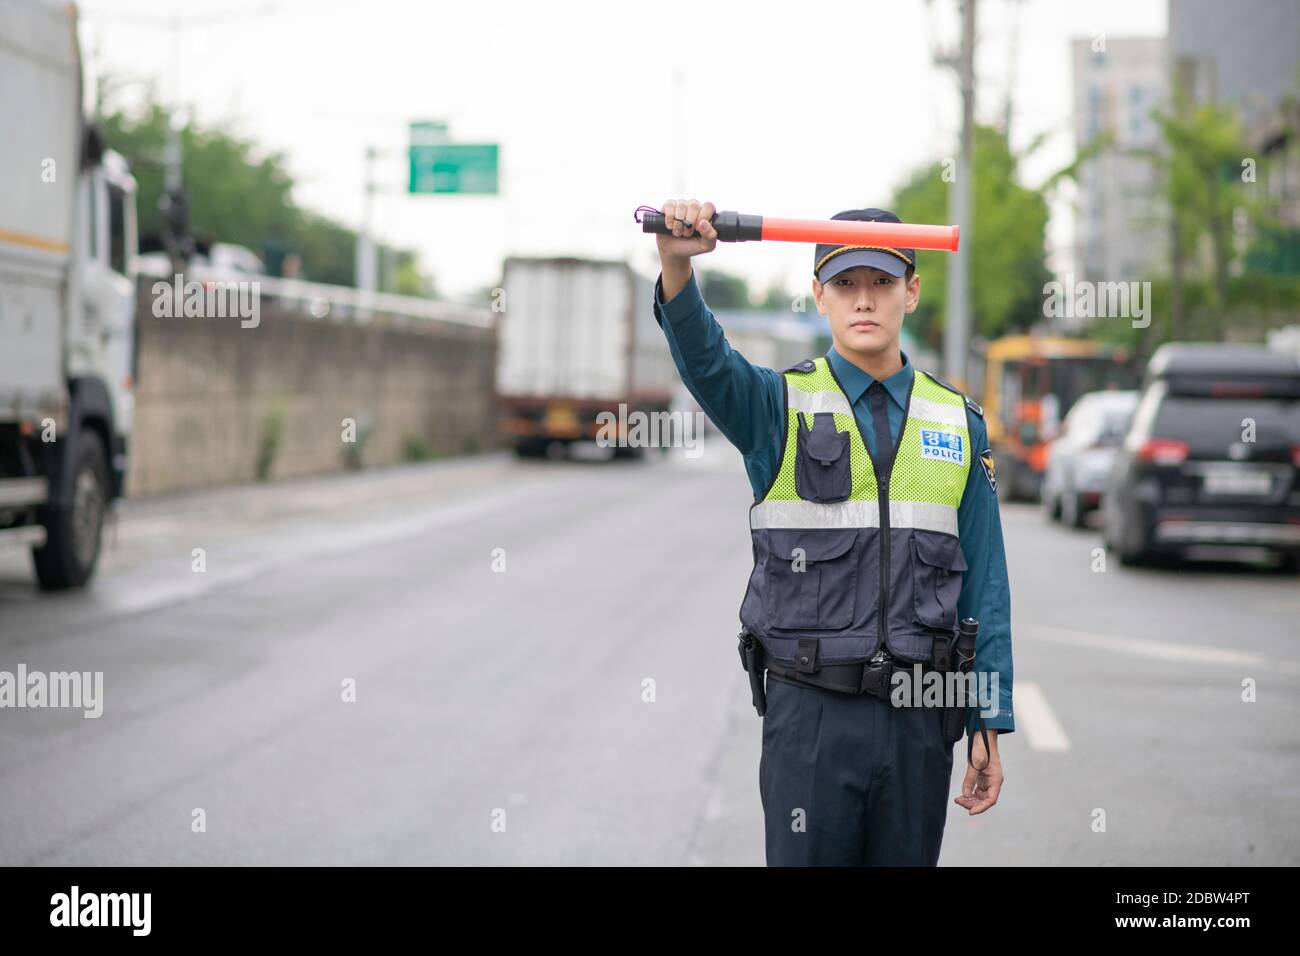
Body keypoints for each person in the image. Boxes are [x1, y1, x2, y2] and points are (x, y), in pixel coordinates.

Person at [651, 198, 1015, 866]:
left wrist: (988, 718)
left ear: (912, 290)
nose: (864, 300)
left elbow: (984, 585)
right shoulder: (775, 407)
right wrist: (678, 267)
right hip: (810, 719)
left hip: (921, 716)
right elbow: (706, 363)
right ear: (819, 295)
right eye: (845, 284)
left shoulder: (959, 422)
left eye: (881, 282)